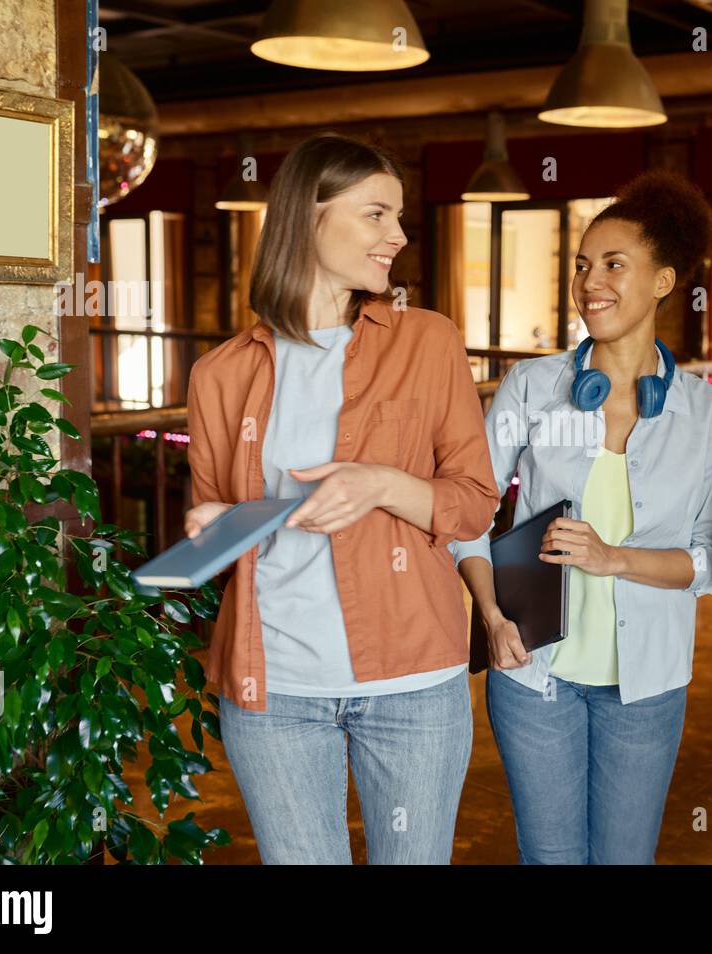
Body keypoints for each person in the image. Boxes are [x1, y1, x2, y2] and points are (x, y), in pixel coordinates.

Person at [183, 132, 500, 864]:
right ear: (309, 216)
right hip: (274, 690)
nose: (399, 235)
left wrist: (382, 484)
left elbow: (475, 502)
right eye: (376, 215)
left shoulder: (428, 340)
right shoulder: (219, 375)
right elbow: (222, 541)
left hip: (414, 684)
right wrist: (213, 530)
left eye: (398, 217)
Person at [449, 171, 712, 864]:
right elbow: (466, 511)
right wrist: (490, 617)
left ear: (665, 281)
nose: (590, 281)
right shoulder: (531, 385)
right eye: (582, 265)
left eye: (613, 264)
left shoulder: (704, 411)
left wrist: (617, 560)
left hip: (647, 689)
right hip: (532, 678)